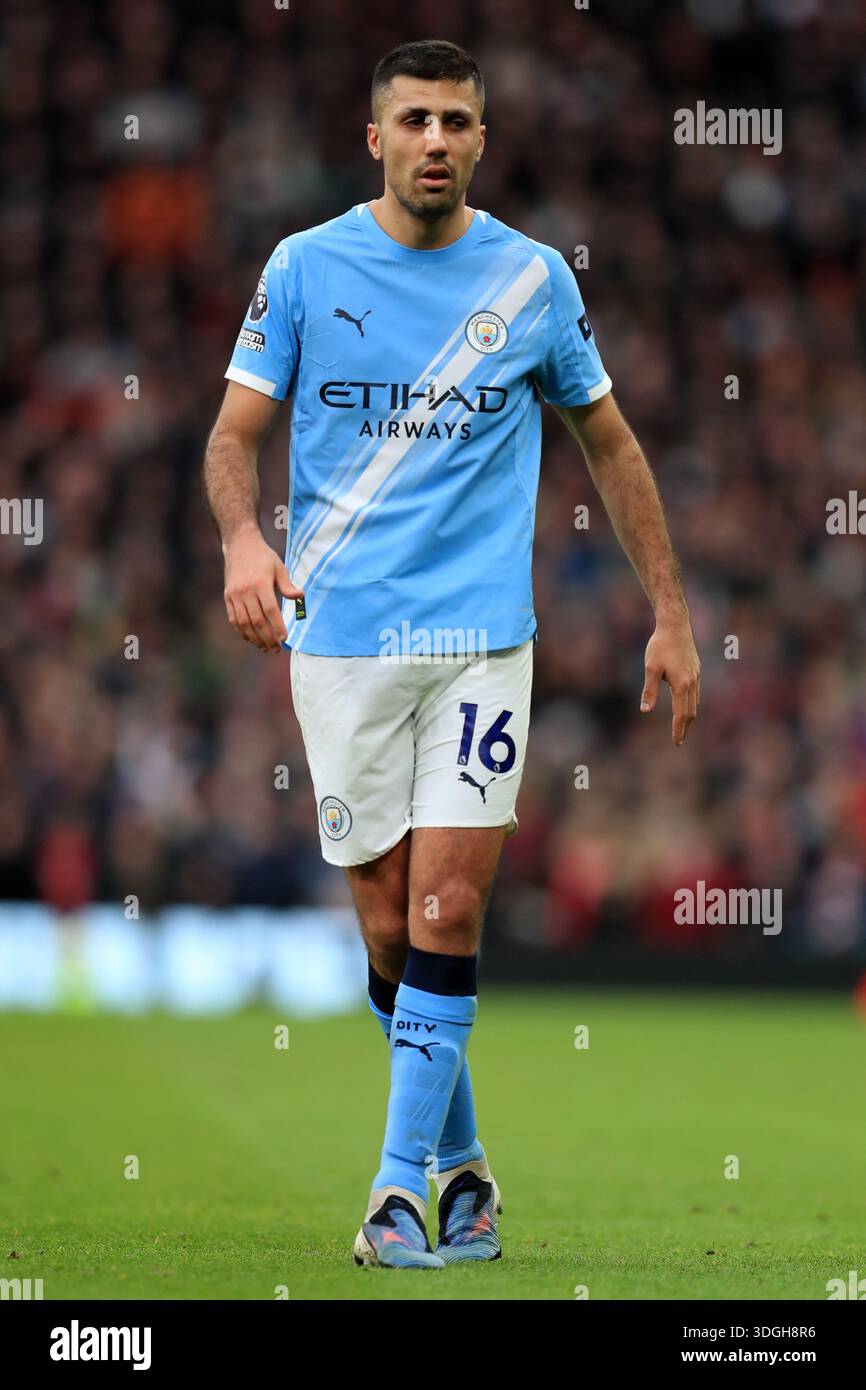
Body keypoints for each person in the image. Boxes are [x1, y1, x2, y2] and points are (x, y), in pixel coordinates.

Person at [203, 38, 700, 1270]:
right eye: (415, 119)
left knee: (449, 904)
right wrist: (238, 541)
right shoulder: (305, 268)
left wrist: (673, 614)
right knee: (387, 930)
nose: (437, 140)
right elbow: (230, 435)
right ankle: (466, 1164)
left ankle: (392, 1195)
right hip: (342, 640)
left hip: (484, 641)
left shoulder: (531, 280)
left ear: (483, 139)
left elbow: (613, 445)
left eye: (458, 122)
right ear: (373, 136)